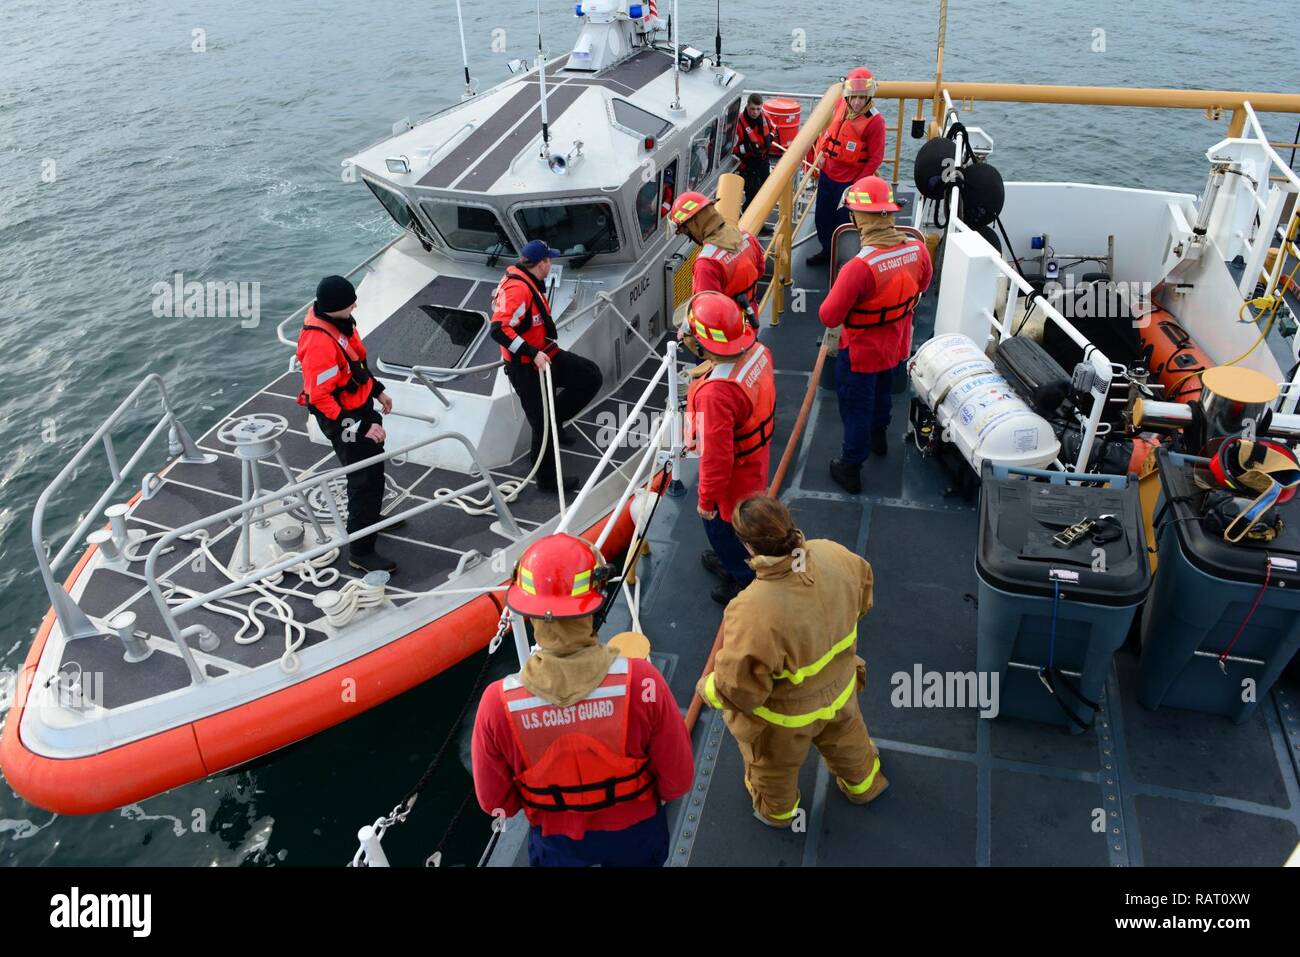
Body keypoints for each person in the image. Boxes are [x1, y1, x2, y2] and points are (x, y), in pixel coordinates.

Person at [470, 533, 694, 867]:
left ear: (528, 614)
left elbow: (496, 803)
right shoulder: (643, 683)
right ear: (596, 602)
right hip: (638, 838)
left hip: (557, 847)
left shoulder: (496, 704)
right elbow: (678, 781)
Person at [697, 494, 887, 827]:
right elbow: (864, 600)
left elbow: (740, 689)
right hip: (842, 691)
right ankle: (865, 785)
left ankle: (779, 814)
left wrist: (708, 690)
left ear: (749, 547)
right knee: (849, 741)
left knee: (774, 770)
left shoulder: (751, 609)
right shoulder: (834, 554)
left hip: (786, 720)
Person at [819, 176, 933, 493]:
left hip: (860, 353)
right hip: (896, 345)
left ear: (858, 217)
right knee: (882, 394)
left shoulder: (858, 268)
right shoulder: (917, 250)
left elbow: (829, 315)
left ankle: (851, 468)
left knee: (856, 408)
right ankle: (879, 436)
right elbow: (923, 286)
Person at [296, 275, 397, 574]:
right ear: (334, 307)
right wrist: (359, 427)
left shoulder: (341, 325)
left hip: (360, 409)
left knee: (375, 469)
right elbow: (322, 397)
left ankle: (371, 519)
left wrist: (377, 390)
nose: (355, 304)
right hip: (344, 420)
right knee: (361, 481)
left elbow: (356, 365)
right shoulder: (319, 344)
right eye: (349, 302)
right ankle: (361, 552)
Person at [682, 291, 776, 604]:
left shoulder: (716, 393)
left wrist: (706, 501)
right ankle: (736, 562)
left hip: (732, 479)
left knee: (721, 528)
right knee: (745, 521)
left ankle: (742, 578)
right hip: (755, 461)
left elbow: (717, 457)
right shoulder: (759, 352)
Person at [491, 240, 604, 495]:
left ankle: (557, 422)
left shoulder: (527, 282)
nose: (551, 265)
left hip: (546, 354)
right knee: (541, 425)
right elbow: (498, 330)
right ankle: (547, 481)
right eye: (549, 260)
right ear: (541, 264)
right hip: (527, 368)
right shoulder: (518, 290)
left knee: (590, 376)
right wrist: (531, 353)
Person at [807, 67, 887, 268]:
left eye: (862, 97)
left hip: (850, 182)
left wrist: (857, 185)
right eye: (854, 97)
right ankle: (827, 251)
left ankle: (846, 261)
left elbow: (875, 158)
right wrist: (820, 158)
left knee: (846, 225)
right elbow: (828, 131)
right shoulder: (841, 106)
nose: (857, 102)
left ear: (868, 97)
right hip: (828, 175)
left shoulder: (875, 122)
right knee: (822, 219)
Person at [668, 191, 765, 330]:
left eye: (686, 230)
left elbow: (707, 311)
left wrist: (684, 330)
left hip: (727, 330)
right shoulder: (746, 237)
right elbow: (760, 270)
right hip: (751, 317)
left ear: (695, 225)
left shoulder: (706, 263)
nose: (687, 234)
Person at [734, 93, 777, 210]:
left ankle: (760, 225)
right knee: (753, 195)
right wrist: (747, 147)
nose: (755, 112)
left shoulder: (765, 117)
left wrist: (771, 136)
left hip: (763, 161)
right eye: (752, 109)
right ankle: (746, 222)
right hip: (748, 165)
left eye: (758, 109)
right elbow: (733, 149)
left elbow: (773, 128)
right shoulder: (739, 124)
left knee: (764, 191)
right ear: (747, 107)